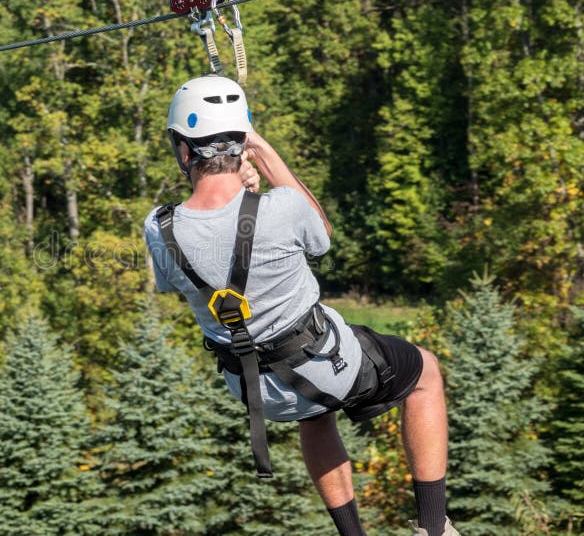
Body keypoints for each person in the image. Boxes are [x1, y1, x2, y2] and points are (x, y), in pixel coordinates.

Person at [143, 75, 460, 536]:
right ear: (241, 144)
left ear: (185, 152)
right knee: (425, 373)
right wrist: (264, 158)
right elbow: (321, 233)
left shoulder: (159, 227)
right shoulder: (281, 208)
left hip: (253, 387)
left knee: (315, 413)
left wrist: (241, 196)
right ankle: (434, 528)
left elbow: (191, 267)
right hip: (327, 364)